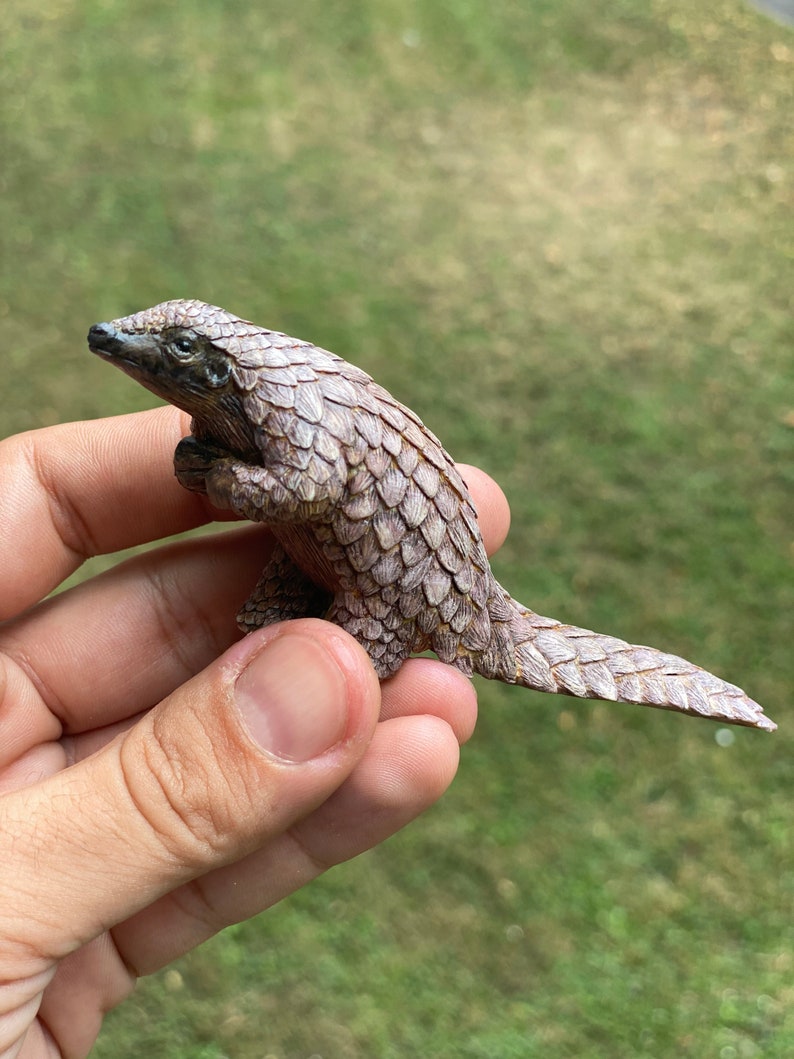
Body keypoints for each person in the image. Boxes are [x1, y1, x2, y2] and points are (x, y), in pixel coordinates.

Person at [0, 406, 511, 1057]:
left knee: (342, 659)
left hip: (378, 585)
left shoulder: (301, 428)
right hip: (323, 557)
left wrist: (225, 480)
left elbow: (306, 486)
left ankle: (324, 662)